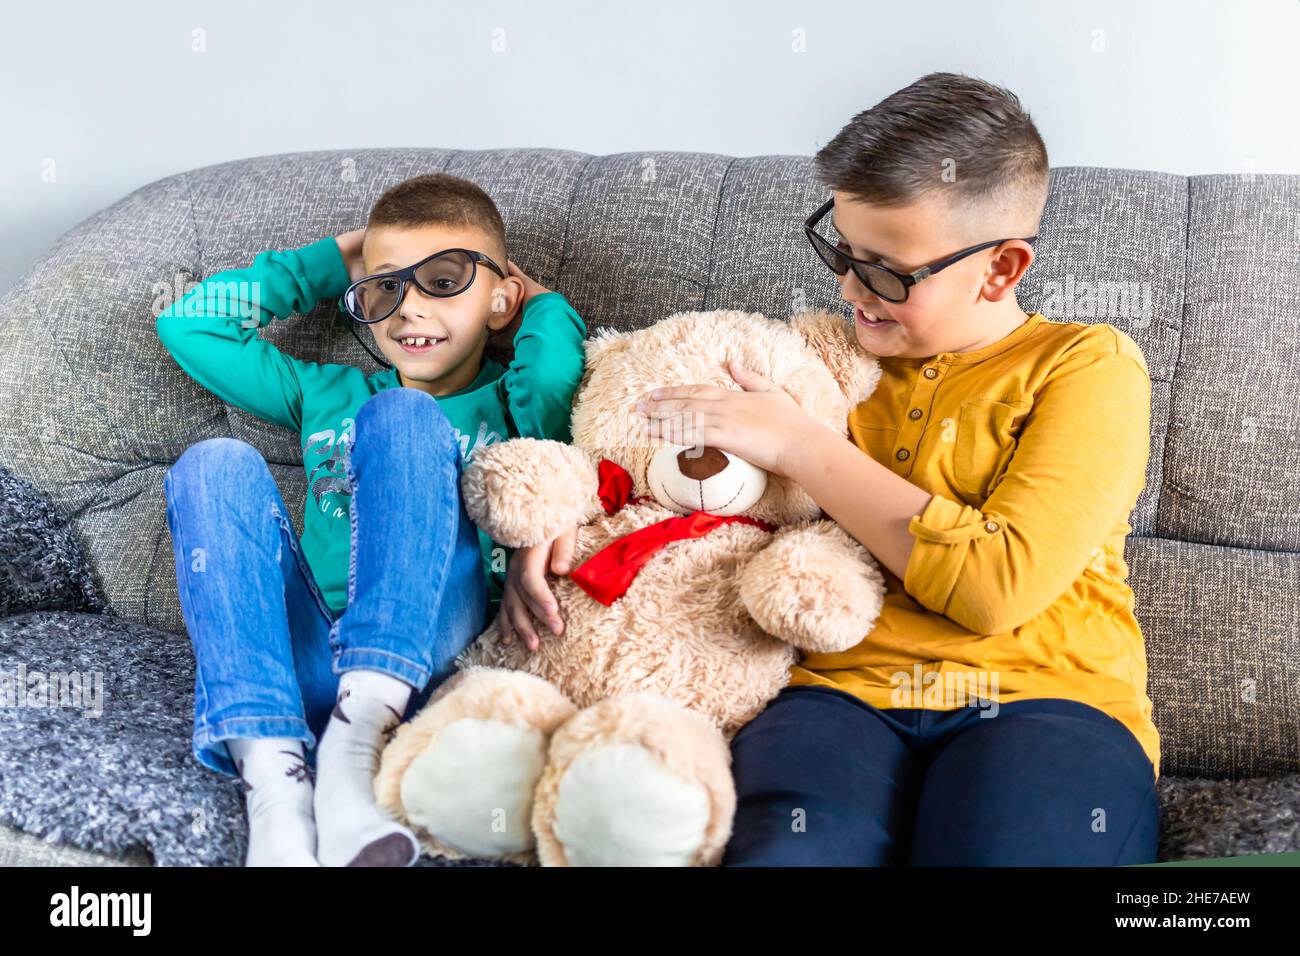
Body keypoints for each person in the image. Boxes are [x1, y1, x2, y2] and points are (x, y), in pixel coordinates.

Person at [522, 72, 1160, 865]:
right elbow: (634, 446)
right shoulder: (811, 366)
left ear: (1000, 270)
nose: (852, 289)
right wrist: (551, 519)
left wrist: (802, 447)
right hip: (837, 697)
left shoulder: (1086, 366)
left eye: (889, 271)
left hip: (1045, 700)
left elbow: (996, 586)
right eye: (842, 251)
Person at [155, 172, 587, 866]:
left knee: (403, 417)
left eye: (444, 280)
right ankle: (277, 787)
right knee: (210, 464)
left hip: (424, 653)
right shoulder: (328, 394)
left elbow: (555, 370)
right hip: (298, 657)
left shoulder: (512, 404)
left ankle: (358, 744)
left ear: (500, 299)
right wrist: (338, 257)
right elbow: (188, 322)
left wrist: (532, 298)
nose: (409, 308)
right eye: (387, 288)